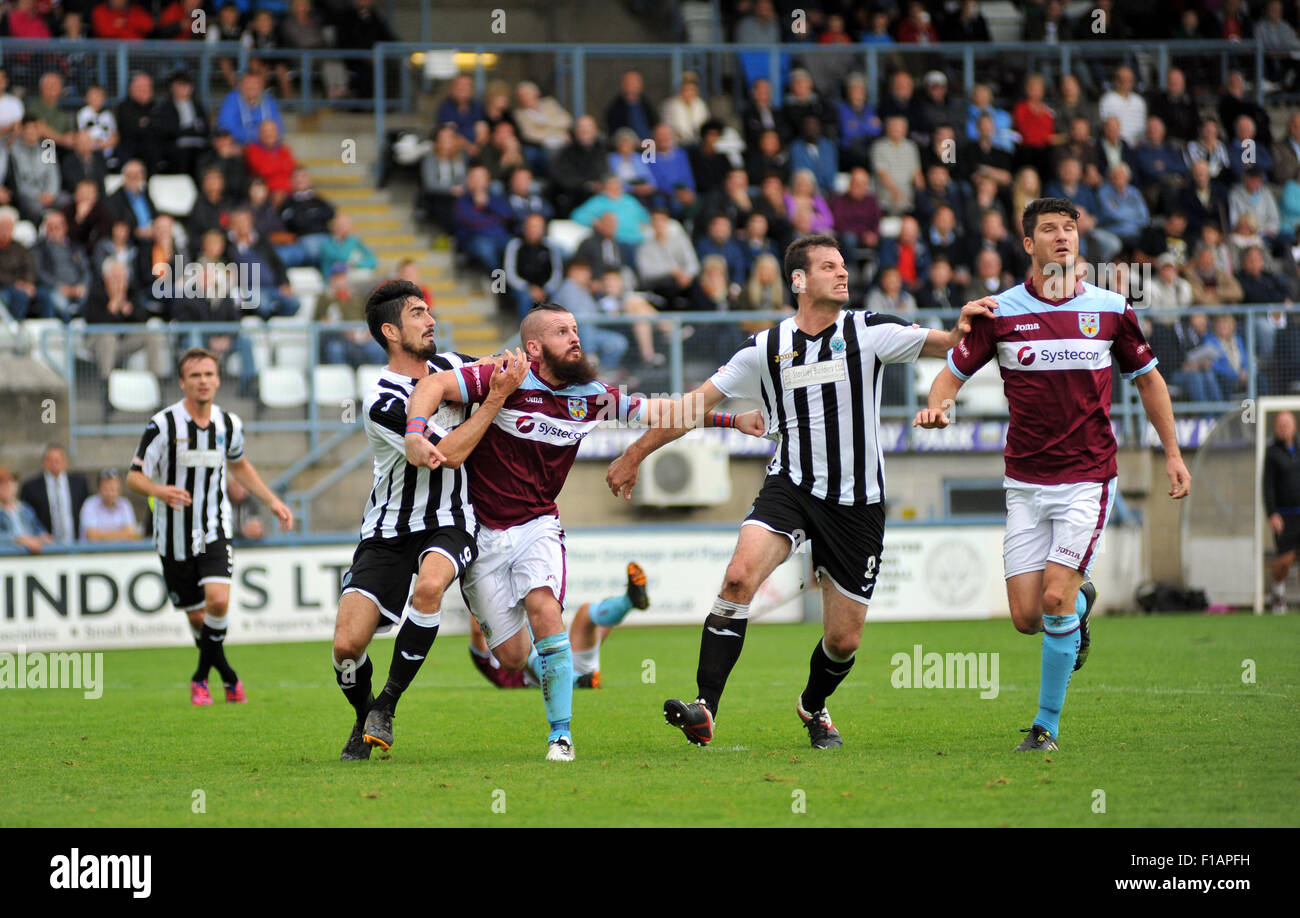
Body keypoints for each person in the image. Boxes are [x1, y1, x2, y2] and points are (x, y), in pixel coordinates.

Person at [606, 234, 993, 749]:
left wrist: (965, 327)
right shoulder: (765, 349)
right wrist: (634, 454)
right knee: (739, 578)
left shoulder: (870, 330)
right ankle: (706, 708)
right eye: (829, 266)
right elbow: (692, 405)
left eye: (843, 265)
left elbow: (945, 343)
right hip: (790, 485)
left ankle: (813, 706)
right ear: (798, 280)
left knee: (843, 639)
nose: (843, 273)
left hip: (858, 503)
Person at [402, 303, 763, 760]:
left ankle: (561, 735)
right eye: (560, 331)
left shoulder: (592, 394)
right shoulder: (504, 375)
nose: (574, 337)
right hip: (482, 531)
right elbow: (432, 383)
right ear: (533, 347)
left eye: (574, 329)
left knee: (545, 609)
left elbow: (663, 410)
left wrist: (732, 419)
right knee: (512, 658)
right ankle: (556, 679)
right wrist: (416, 432)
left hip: (539, 524)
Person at [915, 197, 1191, 752]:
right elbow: (950, 375)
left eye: (1070, 228)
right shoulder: (1000, 313)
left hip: (1089, 478)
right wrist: (938, 405)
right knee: (1026, 615)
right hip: (1024, 483)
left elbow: (1150, 382)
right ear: (1028, 244)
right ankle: (1080, 605)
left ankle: (1045, 728)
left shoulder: (1111, 308)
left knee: (1054, 598)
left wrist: (1173, 453)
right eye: (1049, 229)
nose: (1062, 237)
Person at [330, 280, 529, 761]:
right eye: (418, 313)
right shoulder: (382, 401)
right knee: (346, 648)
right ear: (391, 331)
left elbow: (507, 369)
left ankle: (388, 706)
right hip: (387, 530)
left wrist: (515, 363)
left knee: (430, 586)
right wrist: (495, 398)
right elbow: (447, 454)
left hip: (451, 519)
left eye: (429, 312)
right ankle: (364, 716)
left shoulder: (455, 366)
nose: (431, 320)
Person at [127, 348, 294, 706]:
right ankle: (228, 677)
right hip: (172, 536)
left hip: (213, 527)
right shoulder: (162, 425)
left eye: (208, 374)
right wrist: (159, 490)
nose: (203, 381)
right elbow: (133, 476)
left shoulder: (228, 424)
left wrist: (271, 500)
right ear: (182, 382)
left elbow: (240, 466)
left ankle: (200, 677)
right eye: (195, 375)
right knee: (198, 617)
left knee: (218, 601)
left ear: (217, 380)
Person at [469, 562, 652, 688]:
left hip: (564, 657)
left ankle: (629, 601)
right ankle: (625, 603)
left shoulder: (507, 621)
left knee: (585, 613)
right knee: (531, 649)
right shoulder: (492, 656)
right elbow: (478, 630)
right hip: (545, 678)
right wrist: (479, 597)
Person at [1264, 411, 1300, 613]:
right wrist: (1272, 513)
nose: (1284, 427)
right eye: (1280, 424)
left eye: (1288, 423)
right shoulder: (1272, 454)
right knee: (1285, 560)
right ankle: (1278, 594)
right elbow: (1267, 486)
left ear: (1294, 426)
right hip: (1285, 515)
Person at [21, 444, 90, 544]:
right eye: (50, 460)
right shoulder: (30, 487)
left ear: (66, 461)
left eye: (58, 459)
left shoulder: (79, 483)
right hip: (45, 547)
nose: (55, 463)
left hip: (75, 545)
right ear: (44, 462)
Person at [79, 469, 140, 542]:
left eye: (113, 489)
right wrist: (121, 534)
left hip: (119, 552)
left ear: (119, 489)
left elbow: (130, 534)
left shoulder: (125, 504)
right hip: (92, 552)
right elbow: (92, 536)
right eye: (106, 489)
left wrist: (101, 535)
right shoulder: (90, 504)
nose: (110, 493)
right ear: (99, 489)